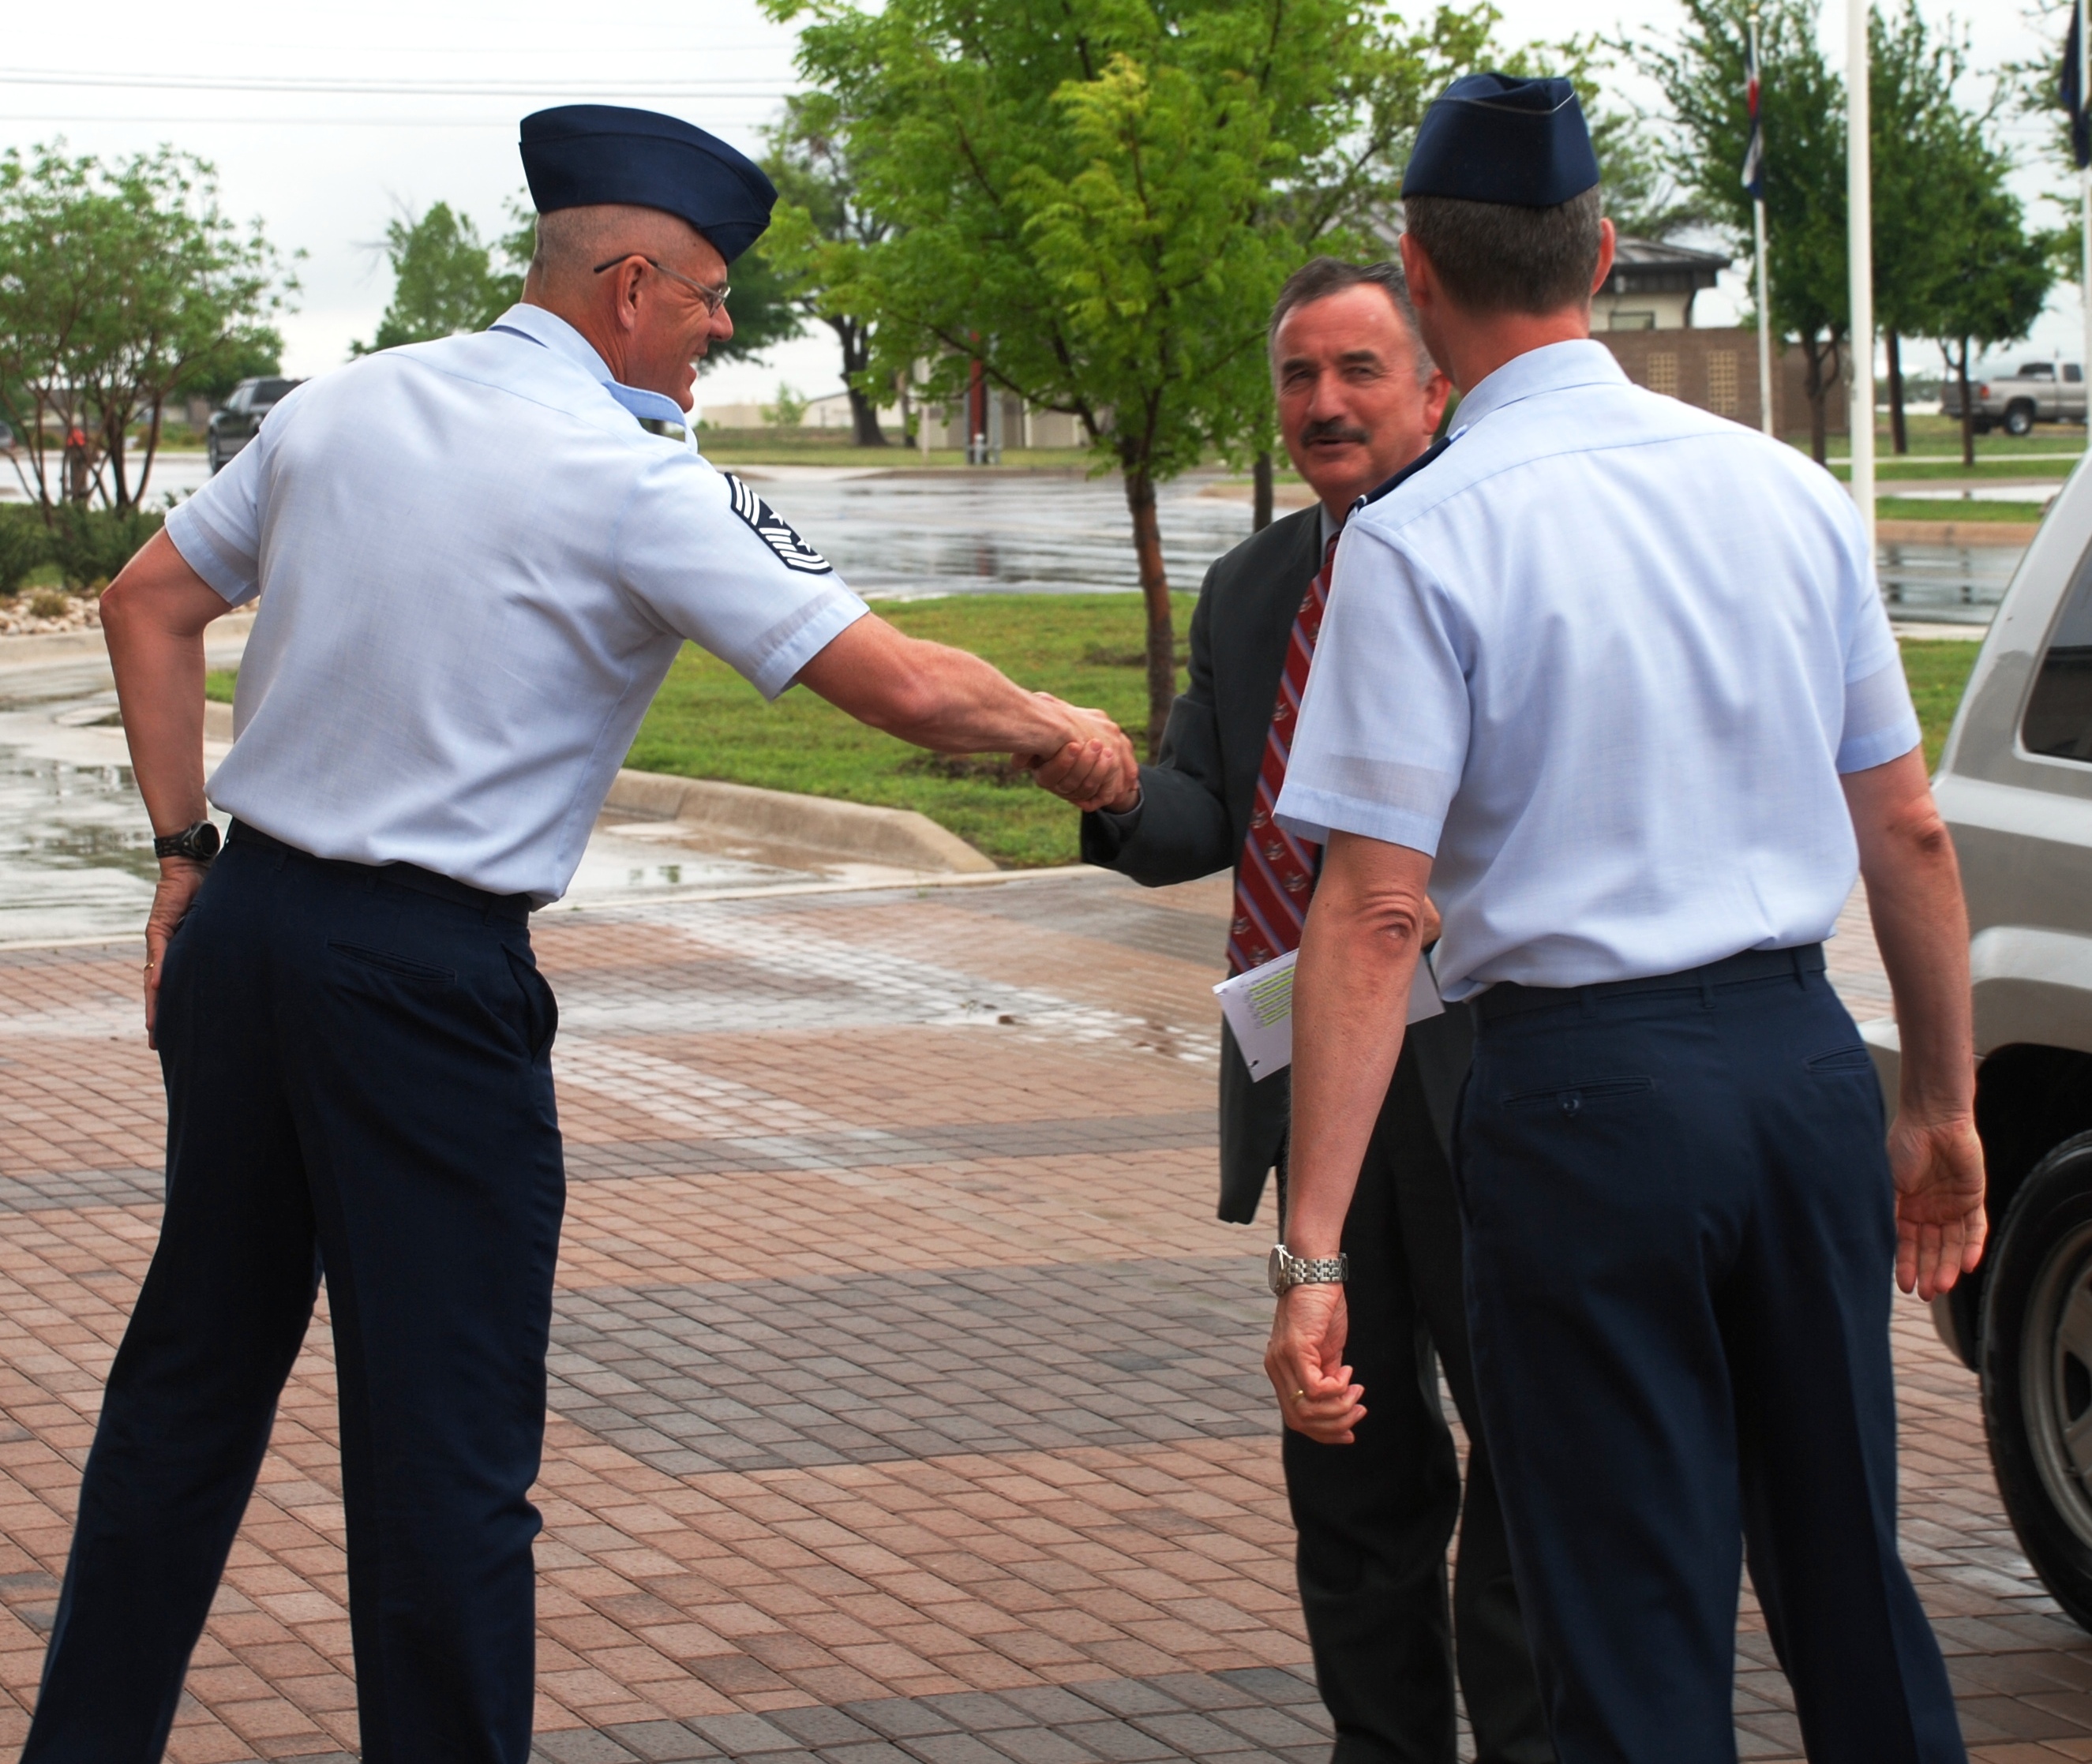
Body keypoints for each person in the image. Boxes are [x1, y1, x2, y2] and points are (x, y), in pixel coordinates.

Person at [27, 105, 1130, 1764]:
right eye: (707, 302)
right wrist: (1063, 732)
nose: (718, 333)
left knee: (188, 1385)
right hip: (421, 981)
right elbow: (903, 687)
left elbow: (146, 600)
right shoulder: (636, 479)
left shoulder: (349, 405)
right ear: (630, 285)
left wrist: (183, 853)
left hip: (250, 935)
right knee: (447, 1452)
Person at [1262, 74, 1981, 1764]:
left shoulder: (1422, 535)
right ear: (1597, 250)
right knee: (1843, 1573)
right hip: (1798, 1067)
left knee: (1624, 1613)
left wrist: (1311, 1249)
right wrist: (1936, 1105)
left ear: (1415, 276)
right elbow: (1909, 831)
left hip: (1580, 1100)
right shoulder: (1785, 490)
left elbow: (1372, 914)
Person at [1036, 257, 1549, 1764]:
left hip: (1488, 1074)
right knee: (1346, 1458)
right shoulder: (1255, 584)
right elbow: (1214, 812)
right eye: (1296, 377)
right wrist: (1109, 785)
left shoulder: (1497, 548)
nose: (1322, 403)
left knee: (1522, 1458)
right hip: (1315, 1082)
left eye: (1358, 371)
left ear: (1433, 385)